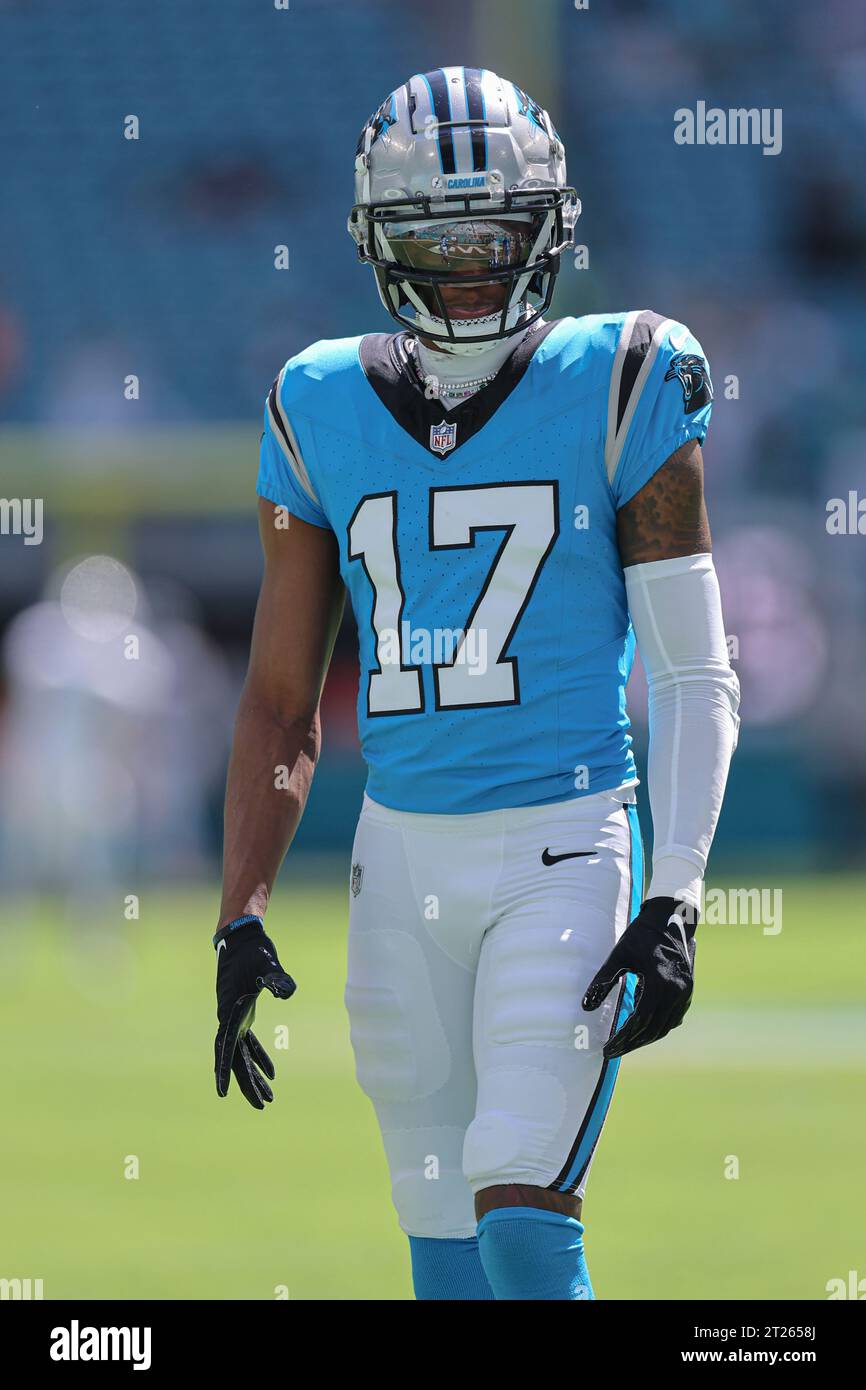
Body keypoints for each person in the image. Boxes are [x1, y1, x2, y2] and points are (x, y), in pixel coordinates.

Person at [212, 67, 740, 1301]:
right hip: (394, 867)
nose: (468, 275)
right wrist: (240, 907)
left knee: (517, 1197)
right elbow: (281, 703)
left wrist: (674, 897)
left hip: (563, 845)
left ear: (545, 231)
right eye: (436, 246)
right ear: (378, 243)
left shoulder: (624, 375)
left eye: (492, 240)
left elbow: (690, 663)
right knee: (443, 1249)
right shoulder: (314, 401)